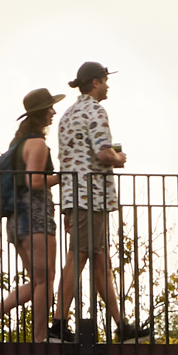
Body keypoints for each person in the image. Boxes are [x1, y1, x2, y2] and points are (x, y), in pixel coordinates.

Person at [55, 60, 139, 338]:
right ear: (95, 82)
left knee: (101, 261)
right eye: (105, 80)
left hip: (73, 195)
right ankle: (58, 323)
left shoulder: (67, 116)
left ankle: (121, 325)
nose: (107, 86)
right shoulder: (96, 111)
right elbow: (104, 154)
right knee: (77, 258)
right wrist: (119, 158)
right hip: (92, 197)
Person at [0, 87, 59, 338]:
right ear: (42, 113)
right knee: (45, 281)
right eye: (50, 108)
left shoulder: (18, 144)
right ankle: (40, 339)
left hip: (17, 220)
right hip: (35, 218)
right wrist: (60, 178)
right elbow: (34, 181)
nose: (53, 112)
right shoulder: (37, 144)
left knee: (38, 281)